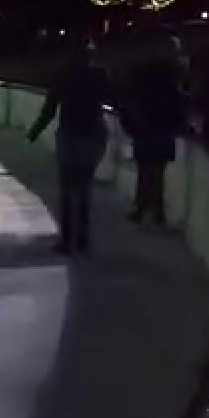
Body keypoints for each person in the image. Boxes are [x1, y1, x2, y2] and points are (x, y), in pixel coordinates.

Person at [28, 40, 112, 255]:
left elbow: (50, 108)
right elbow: (117, 100)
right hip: (93, 134)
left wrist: (35, 131)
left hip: (70, 134)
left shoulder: (64, 76)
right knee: (84, 187)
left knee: (67, 188)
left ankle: (67, 239)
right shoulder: (100, 75)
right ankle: (82, 239)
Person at [123, 36, 188, 227]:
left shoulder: (145, 73)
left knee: (145, 171)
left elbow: (132, 97)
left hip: (145, 126)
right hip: (163, 127)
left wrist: (130, 123)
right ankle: (157, 210)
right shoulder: (175, 75)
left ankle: (142, 208)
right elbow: (179, 101)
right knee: (158, 172)